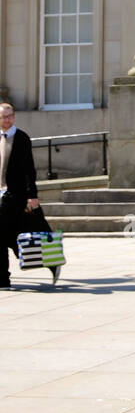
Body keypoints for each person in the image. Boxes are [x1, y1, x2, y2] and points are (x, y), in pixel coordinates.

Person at [0, 102, 55, 288]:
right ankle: (47, 261)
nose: (7, 119)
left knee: (4, 234)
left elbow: (28, 169)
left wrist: (32, 194)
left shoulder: (21, 138)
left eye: (10, 115)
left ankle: (3, 277)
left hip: (14, 195)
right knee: (8, 235)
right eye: (4, 116)